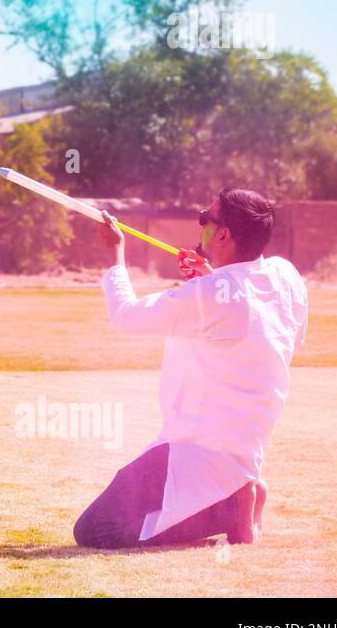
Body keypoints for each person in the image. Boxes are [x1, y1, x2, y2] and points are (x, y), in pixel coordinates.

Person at [72, 189, 308, 548]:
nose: (200, 225)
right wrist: (211, 278)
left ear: (225, 235)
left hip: (195, 449)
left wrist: (114, 254)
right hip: (244, 449)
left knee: (95, 530)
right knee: (125, 513)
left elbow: (126, 317)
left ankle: (231, 507)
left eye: (205, 219)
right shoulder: (284, 275)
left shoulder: (213, 294)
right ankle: (237, 494)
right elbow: (259, 324)